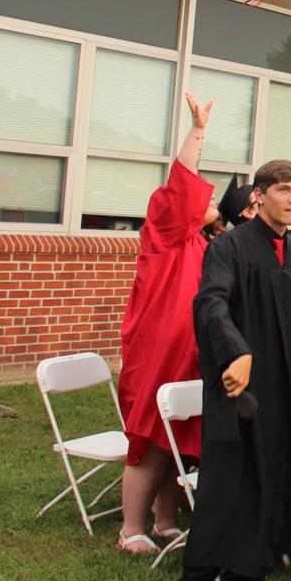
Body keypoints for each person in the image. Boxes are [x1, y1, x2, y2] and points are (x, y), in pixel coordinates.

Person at [171, 160, 291, 581]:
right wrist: (236, 351)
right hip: (239, 388)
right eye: (284, 191)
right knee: (228, 485)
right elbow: (211, 304)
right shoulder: (230, 248)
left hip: (285, 393)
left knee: (275, 482)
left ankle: (246, 576)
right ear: (259, 196)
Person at [116, 93, 217, 555]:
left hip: (190, 350)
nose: (208, 196)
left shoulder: (198, 242)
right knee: (152, 438)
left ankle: (165, 520)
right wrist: (197, 132)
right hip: (159, 350)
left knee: (182, 438)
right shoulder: (166, 233)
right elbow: (181, 183)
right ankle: (130, 528)